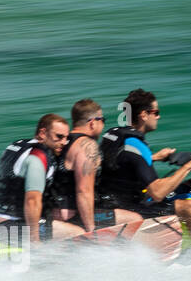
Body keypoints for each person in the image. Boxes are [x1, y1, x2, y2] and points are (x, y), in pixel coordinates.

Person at [99, 89, 191, 251]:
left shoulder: (113, 135)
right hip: (130, 206)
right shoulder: (137, 145)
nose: (158, 117)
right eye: (156, 112)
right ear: (144, 115)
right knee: (188, 207)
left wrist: (154, 158)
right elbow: (156, 193)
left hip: (109, 201)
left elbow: (119, 163)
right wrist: (189, 166)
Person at [0, 114, 85, 246]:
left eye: (66, 138)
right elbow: (32, 200)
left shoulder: (17, 146)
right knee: (77, 233)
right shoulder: (38, 157)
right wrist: (34, 240)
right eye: (59, 136)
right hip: (11, 226)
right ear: (43, 133)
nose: (63, 142)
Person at [47, 99, 143, 235]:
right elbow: (83, 191)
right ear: (92, 122)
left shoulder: (62, 142)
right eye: (102, 120)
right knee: (135, 219)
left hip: (54, 210)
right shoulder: (87, 146)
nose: (103, 125)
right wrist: (90, 231)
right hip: (74, 215)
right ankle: (121, 253)